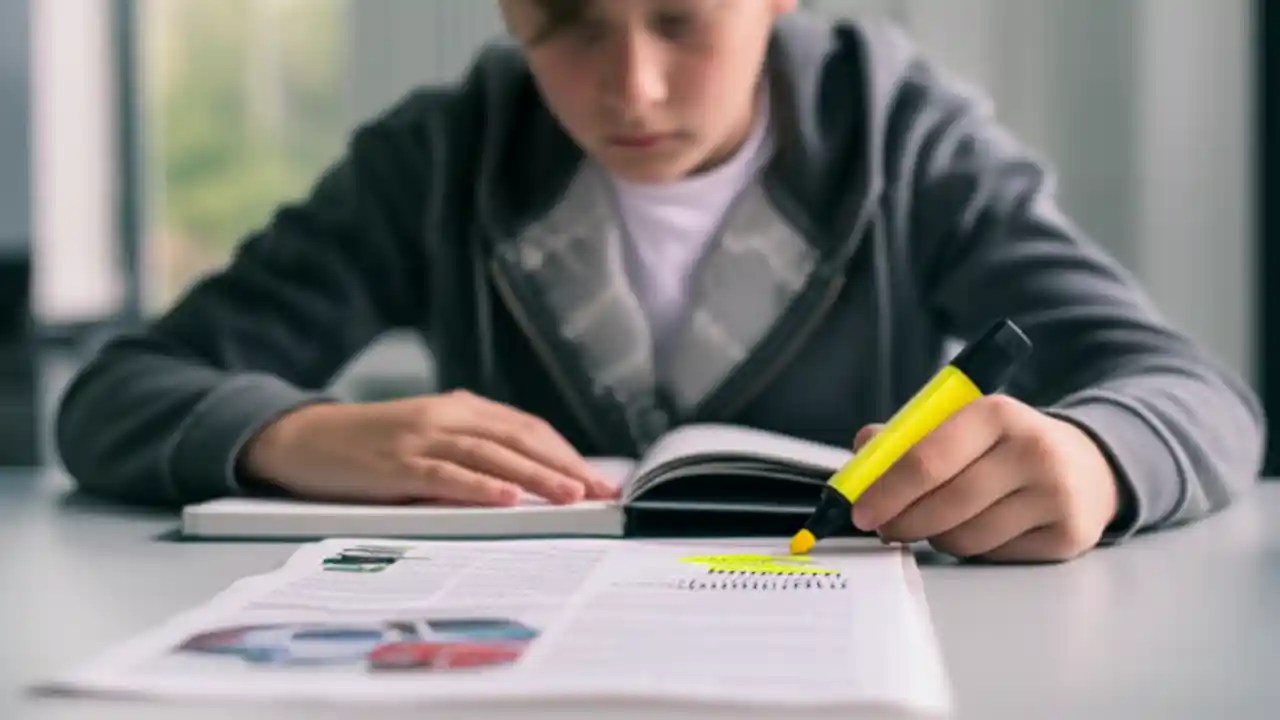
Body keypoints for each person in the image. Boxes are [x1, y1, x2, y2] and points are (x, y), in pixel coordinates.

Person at [57, 0, 1264, 562]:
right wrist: (292, 433)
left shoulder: (906, 140)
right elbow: (115, 393)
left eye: (681, 18)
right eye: (567, 21)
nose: (626, 87)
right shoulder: (437, 155)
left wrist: (1097, 463)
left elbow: (1190, 392)